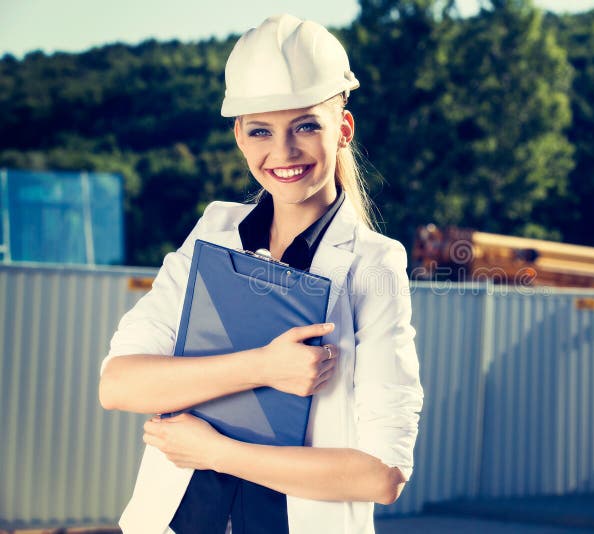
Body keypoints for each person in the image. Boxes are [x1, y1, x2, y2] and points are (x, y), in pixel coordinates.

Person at [99, 14, 424, 534]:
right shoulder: (212, 235)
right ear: (239, 137)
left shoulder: (373, 265)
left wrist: (216, 451)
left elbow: (381, 474)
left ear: (342, 129)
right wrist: (262, 367)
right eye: (261, 131)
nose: (284, 152)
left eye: (306, 125)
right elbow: (119, 385)